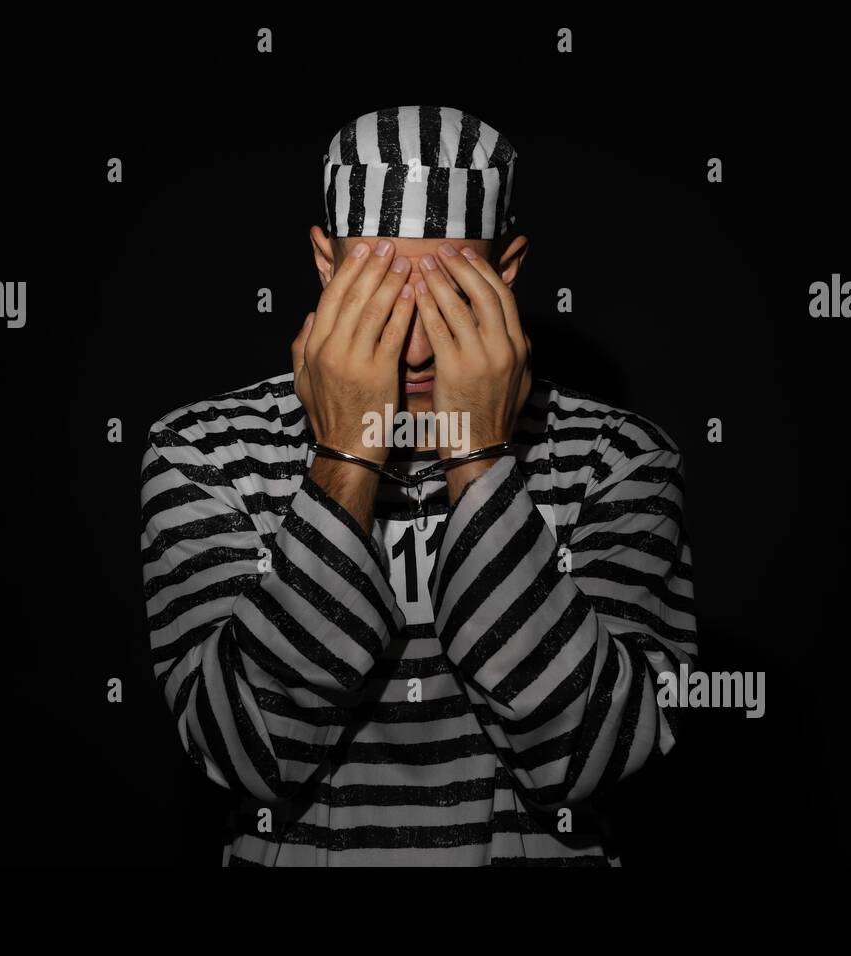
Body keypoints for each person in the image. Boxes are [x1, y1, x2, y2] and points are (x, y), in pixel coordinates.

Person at [140, 105, 698, 865]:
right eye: (378, 290)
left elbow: (589, 757)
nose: (412, 341)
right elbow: (247, 755)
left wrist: (477, 453)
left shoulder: (621, 459)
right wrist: (346, 452)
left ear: (507, 272)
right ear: (326, 266)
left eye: (450, 292)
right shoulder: (201, 453)